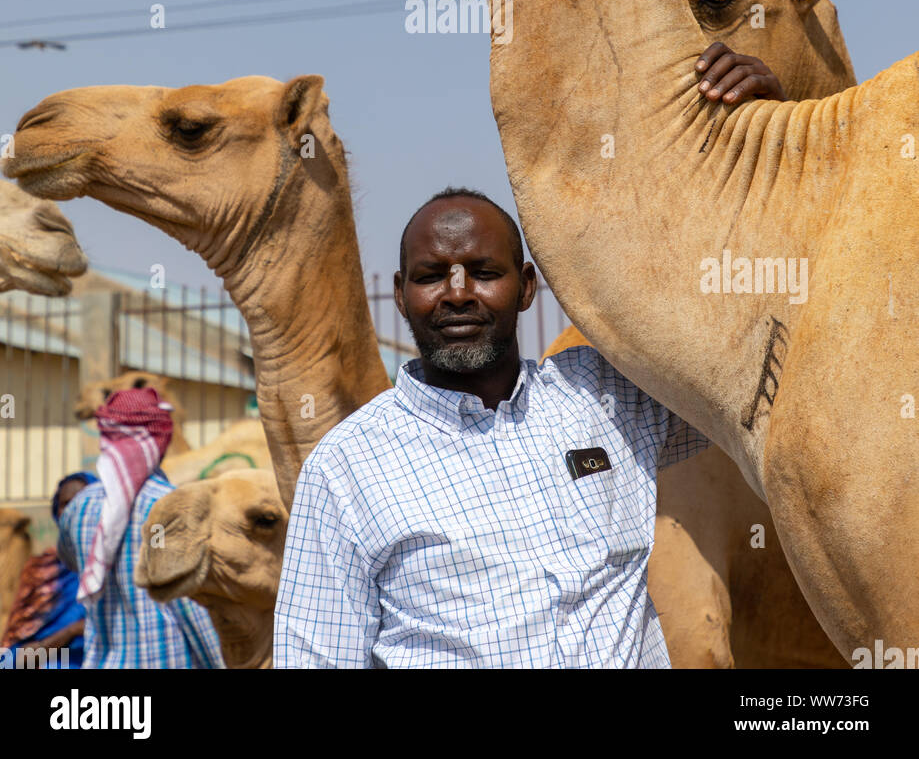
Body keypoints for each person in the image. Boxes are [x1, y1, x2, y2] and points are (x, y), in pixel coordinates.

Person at [274, 44, 786, 669]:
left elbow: (757, 349)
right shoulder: (346, 469)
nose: (458, 293)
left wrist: (765, 129)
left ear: (526, 286)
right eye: (432, 275)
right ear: (402, 296)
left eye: (483, 272)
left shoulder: (611, 397)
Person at [57, 385, 224, 669]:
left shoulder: (78, 508)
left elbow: (71, 560)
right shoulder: (173, 507)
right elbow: (194, 610)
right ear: (161, 440)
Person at [0, 472, 97, 668]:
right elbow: (12, 661)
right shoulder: (43, 572)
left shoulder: (118, 570)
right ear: (56, 511)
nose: (73, 510)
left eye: (82, 502)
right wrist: (70, 633)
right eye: (66, 504)